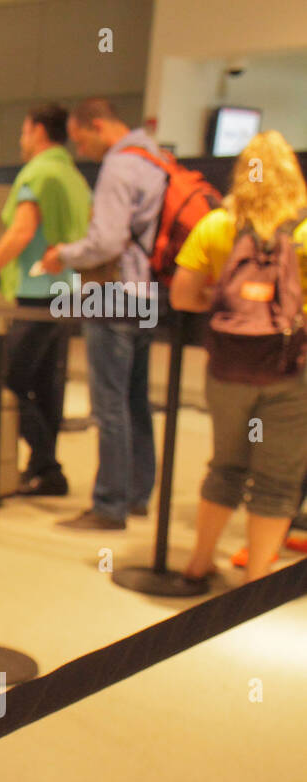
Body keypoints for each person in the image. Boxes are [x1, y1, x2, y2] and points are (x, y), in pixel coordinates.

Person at [170, 131, 307, 583]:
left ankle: (198, 562)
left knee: (226, 464)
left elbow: (183, 296)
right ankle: (254, 582)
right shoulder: (305, 230)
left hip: (229, 368)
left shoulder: (217, 225)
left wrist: (232, 301)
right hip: (293, 372)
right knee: (278, 478)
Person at [40, 98, 167, 530]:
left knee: (109, 404)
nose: (83, 152)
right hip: (148, 292)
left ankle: (109, 505)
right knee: (135, 400)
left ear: (96, 125)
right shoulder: (155, 158)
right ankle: (137, 495)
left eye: (82, 141)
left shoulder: (118, 166)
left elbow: (107, 242)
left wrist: (65, 254)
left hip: (112, 294)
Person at [0, 103, 91, 495]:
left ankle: (48, 463)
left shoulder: (39, 172)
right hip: (68, 294)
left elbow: (21, 232)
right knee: (48, 386)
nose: (21, 139)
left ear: (37, 131)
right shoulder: (74, 177)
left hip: (37, 296)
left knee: (5, 378)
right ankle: (45, 471)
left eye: (23, 131)